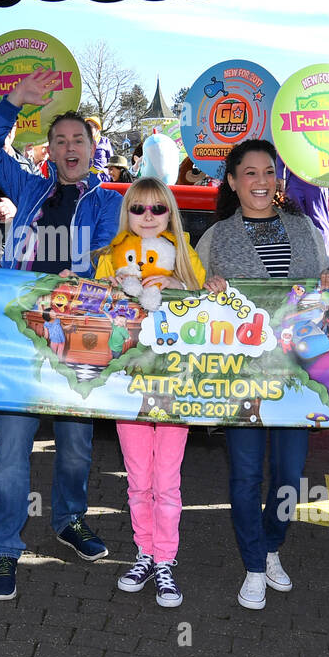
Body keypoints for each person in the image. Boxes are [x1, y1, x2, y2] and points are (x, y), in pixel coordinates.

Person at [0, 68, 123, 601]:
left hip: (80, 335)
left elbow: (106, 248)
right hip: (21, 337)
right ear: (49, 151)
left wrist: (75, 277)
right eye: (59, 140)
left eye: (78, 138)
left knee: (77, 448)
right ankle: (3, 549)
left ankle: (68, 520)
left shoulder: (108, 200)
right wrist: (12, 101)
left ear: (92, 146)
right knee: (11, 449)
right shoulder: (30, 187)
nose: (68, 145)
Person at [195, 139, 329, 611]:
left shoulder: (306, 229)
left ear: (278, 179)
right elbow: (190, 306)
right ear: (232, 182)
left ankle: (273, 544)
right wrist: (204, 290)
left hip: (298, 376)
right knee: (246, 473)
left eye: (267, 172)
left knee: (290, 476)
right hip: (242, 377)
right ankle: (254, 563)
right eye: (248, 173)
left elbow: (328, 290)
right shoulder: (213, 239)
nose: (260, 181)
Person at [95, 178, 209, 608]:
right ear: (127, 213)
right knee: (139, 480)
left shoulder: (183, 254)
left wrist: (183, 290)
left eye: (157, 209)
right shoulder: (109, 257)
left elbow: (204, 303)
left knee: (167, 481)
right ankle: (144, 553)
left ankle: (165, 560)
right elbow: (96, 308)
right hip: (129, 386)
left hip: (175, 384)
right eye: (138, 209)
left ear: (170, 214)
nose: (147, 217)